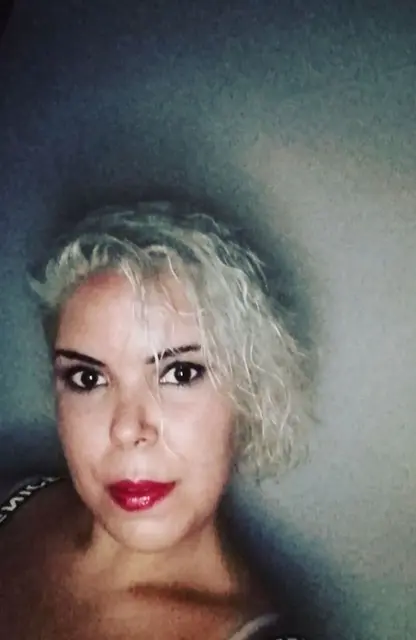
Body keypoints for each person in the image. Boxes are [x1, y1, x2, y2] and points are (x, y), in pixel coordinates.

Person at [0, 200, 312, 639]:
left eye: (180, 374)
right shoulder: (18, 499)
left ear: (249, 396)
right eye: (88, 378)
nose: (127, 429)